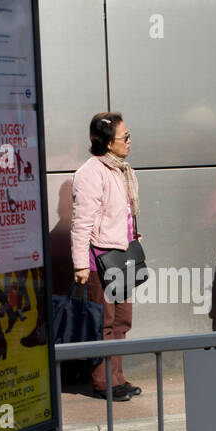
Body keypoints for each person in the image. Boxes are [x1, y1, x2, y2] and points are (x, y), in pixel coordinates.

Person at [70, 112, 142, 401]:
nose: (129, 141)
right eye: (125, 137)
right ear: (107, 142)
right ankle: (103, 382)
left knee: (122, 321)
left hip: (121, 255)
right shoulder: (90, 173)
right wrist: (79, 264)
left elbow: (126, 214)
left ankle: (118, 377)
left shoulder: (121, 169)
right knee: (104, 323)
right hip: (99, 260)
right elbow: (81, 223)